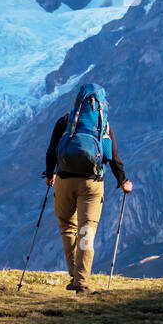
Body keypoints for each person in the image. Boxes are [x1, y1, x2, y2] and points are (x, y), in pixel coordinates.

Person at [43, 83, 132, 294]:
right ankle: (81, 283)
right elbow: (113, 158)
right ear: (101, 105)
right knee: (86, 230)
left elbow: (51, 152)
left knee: (68, 228)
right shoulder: (103, 125)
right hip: (92, 184)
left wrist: (49, 176)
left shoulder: (65, 121)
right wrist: (123, 182)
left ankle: (74, 276)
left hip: (64, 181)